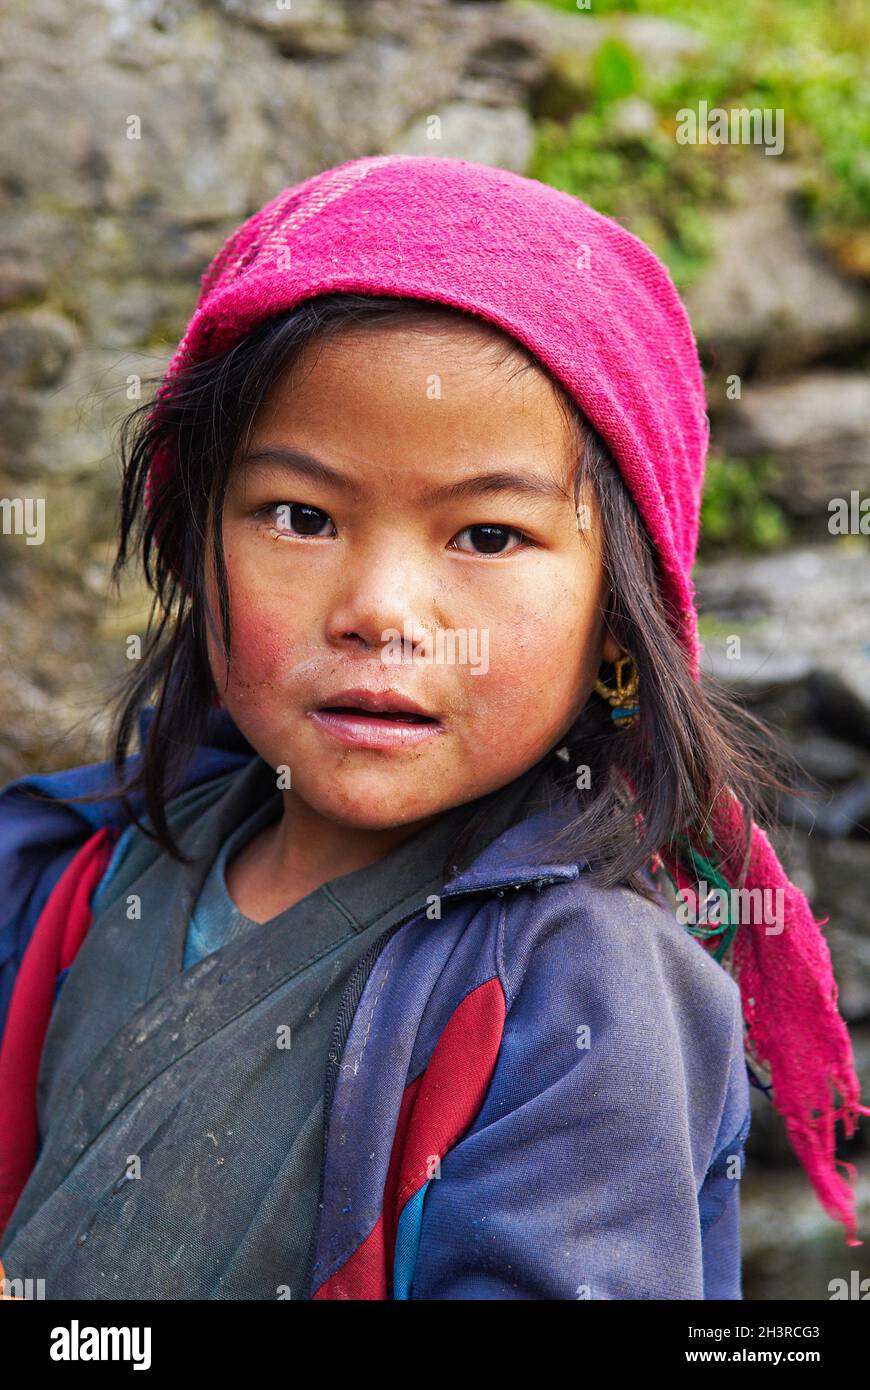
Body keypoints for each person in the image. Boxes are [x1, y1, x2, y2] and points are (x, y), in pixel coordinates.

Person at [0, 155, 865, 1301]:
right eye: (300, 516)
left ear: (622, 616)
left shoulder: (583, 991)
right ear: (192, 545)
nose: (378, 613)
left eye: (488, 536)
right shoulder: (78, 877)